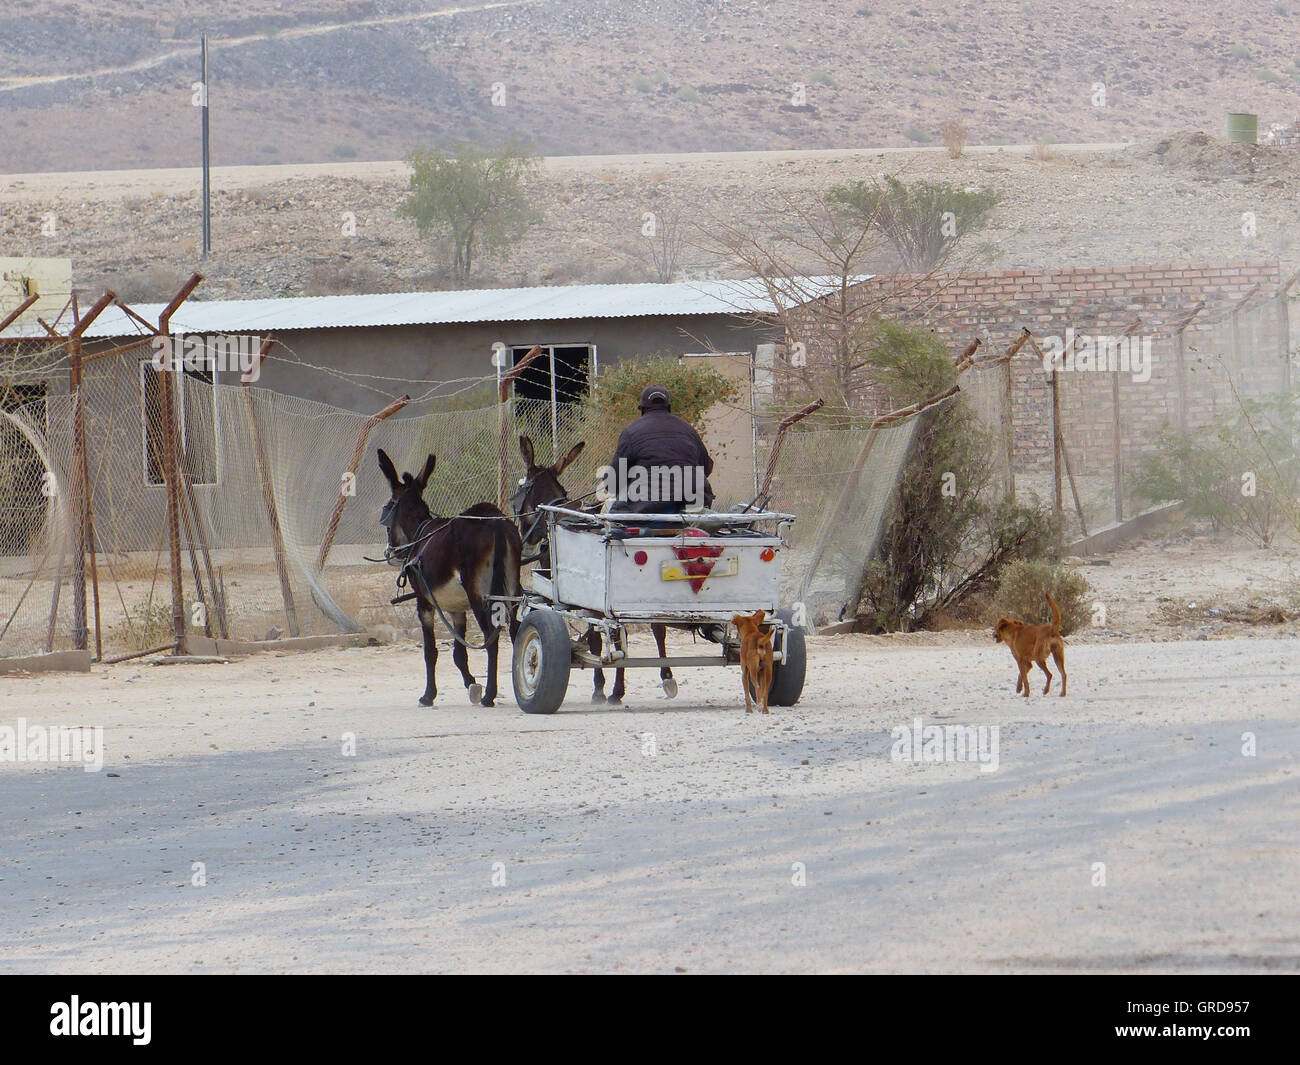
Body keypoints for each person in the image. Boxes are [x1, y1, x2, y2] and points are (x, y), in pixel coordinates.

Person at [609, 385, 714, 514]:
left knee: (615, 514)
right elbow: (706, 468)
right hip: (694, 502)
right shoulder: (688, 430)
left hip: (647, 505)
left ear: (642, 410)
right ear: (669, 408)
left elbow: (614, 482)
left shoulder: (631, 431)